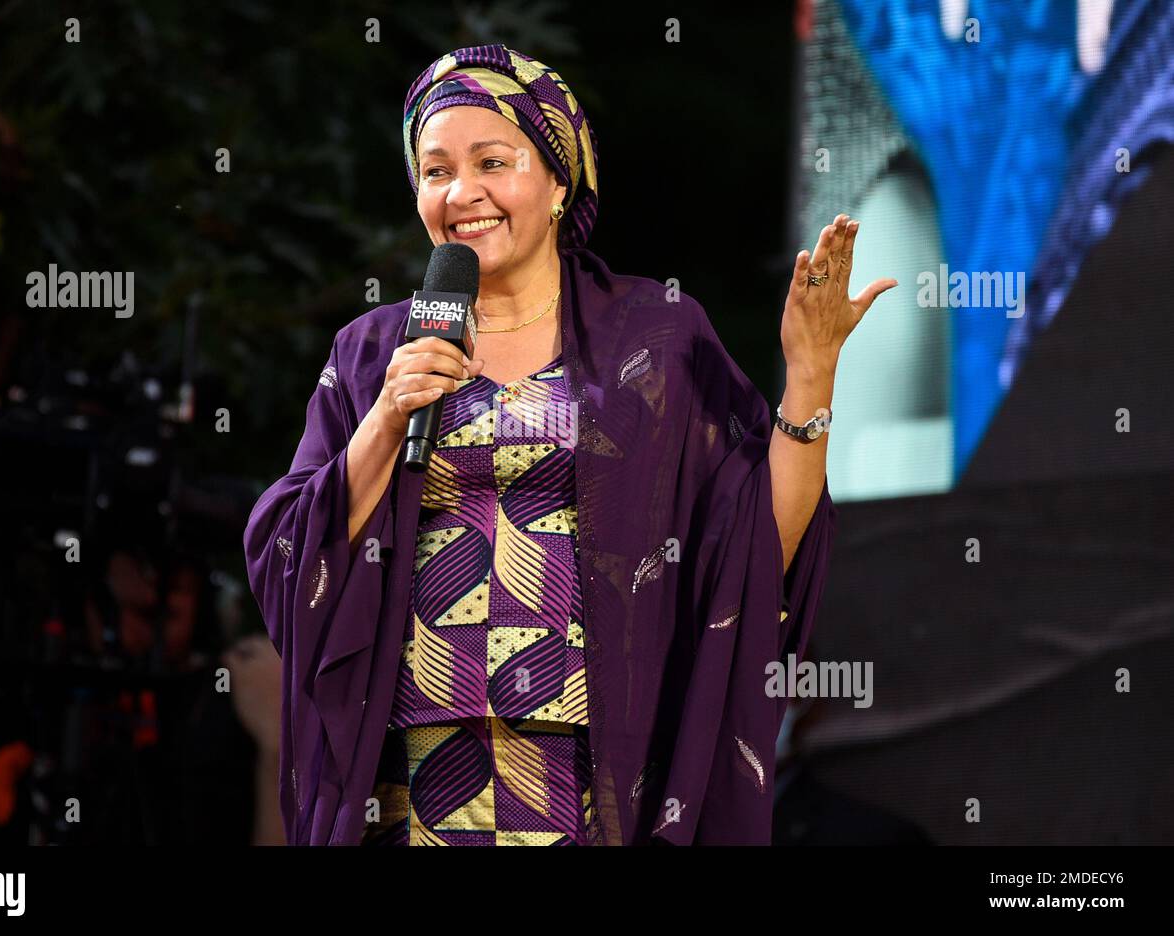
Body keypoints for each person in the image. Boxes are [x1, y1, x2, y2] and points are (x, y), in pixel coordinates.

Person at [243, 43, 896, 845]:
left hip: (591, 784)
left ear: (558, 179)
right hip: (407, 783)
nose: (462, 193)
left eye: (492, 161)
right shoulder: (374, 352)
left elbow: (762, 546)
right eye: (436, 170)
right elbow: (289, 558)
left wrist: (811, 375)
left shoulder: (656, 340)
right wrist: (383, 418)